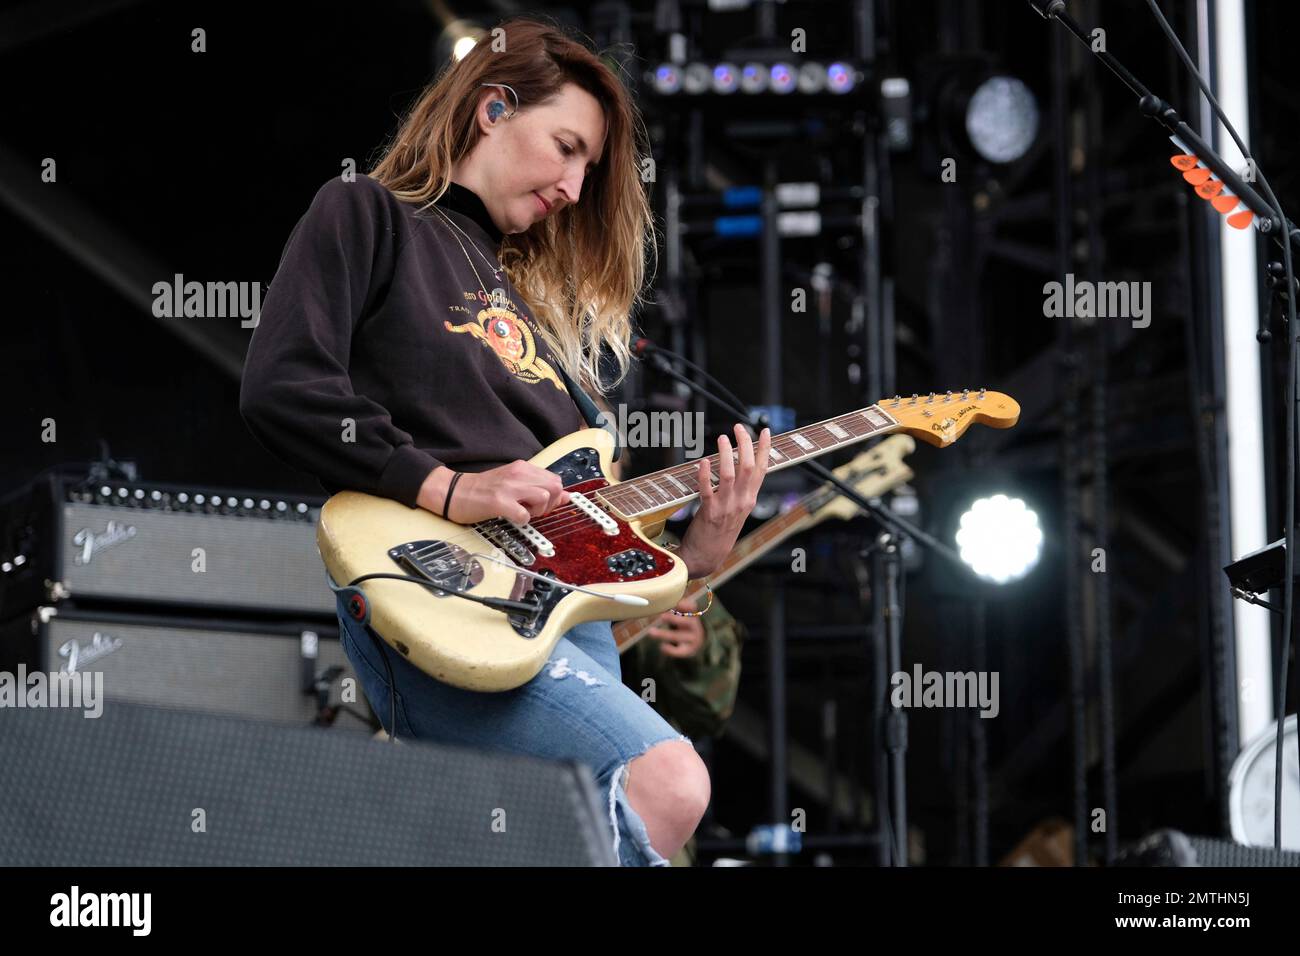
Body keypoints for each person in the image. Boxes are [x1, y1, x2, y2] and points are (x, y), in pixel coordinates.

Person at [238, 17, 770, 866]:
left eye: (589, 170)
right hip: (443, 594)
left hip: (559, 617)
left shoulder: (537, 322)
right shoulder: (368, 215)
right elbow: (284, 388)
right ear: (492, 108)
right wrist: (448, 487)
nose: (572, 184)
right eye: (565, 146)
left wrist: (697, 561)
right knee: (668, 784)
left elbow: (577, 527)